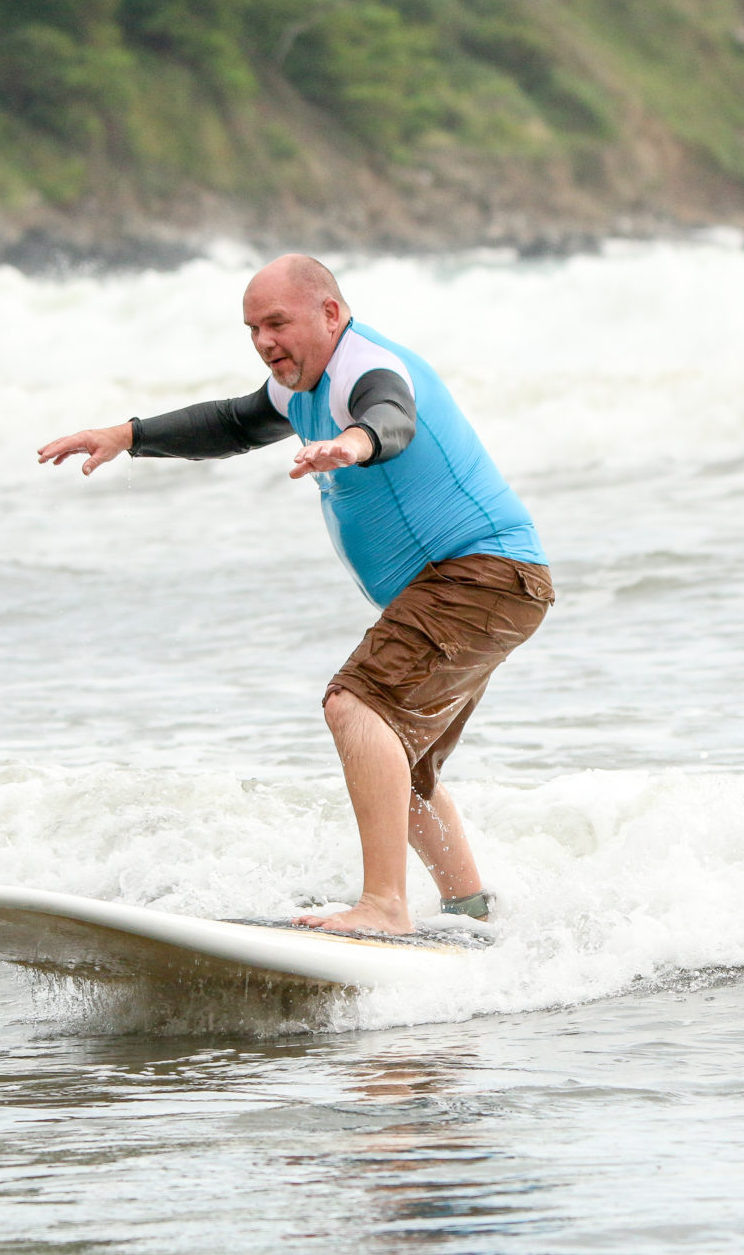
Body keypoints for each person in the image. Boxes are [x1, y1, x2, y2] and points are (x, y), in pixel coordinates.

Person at [37, 255, 552, 934]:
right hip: (488, 582)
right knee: (404, 761)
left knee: (356, 702)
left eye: (277, 323)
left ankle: (384, 908)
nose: (264, 342)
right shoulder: (299, 389)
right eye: (253, 329)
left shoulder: (365, 369)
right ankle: (472, 911)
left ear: (330, 314)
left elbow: (391, 416)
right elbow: (230, 422)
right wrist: (127, 436)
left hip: (479, 571)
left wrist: (355, 445)